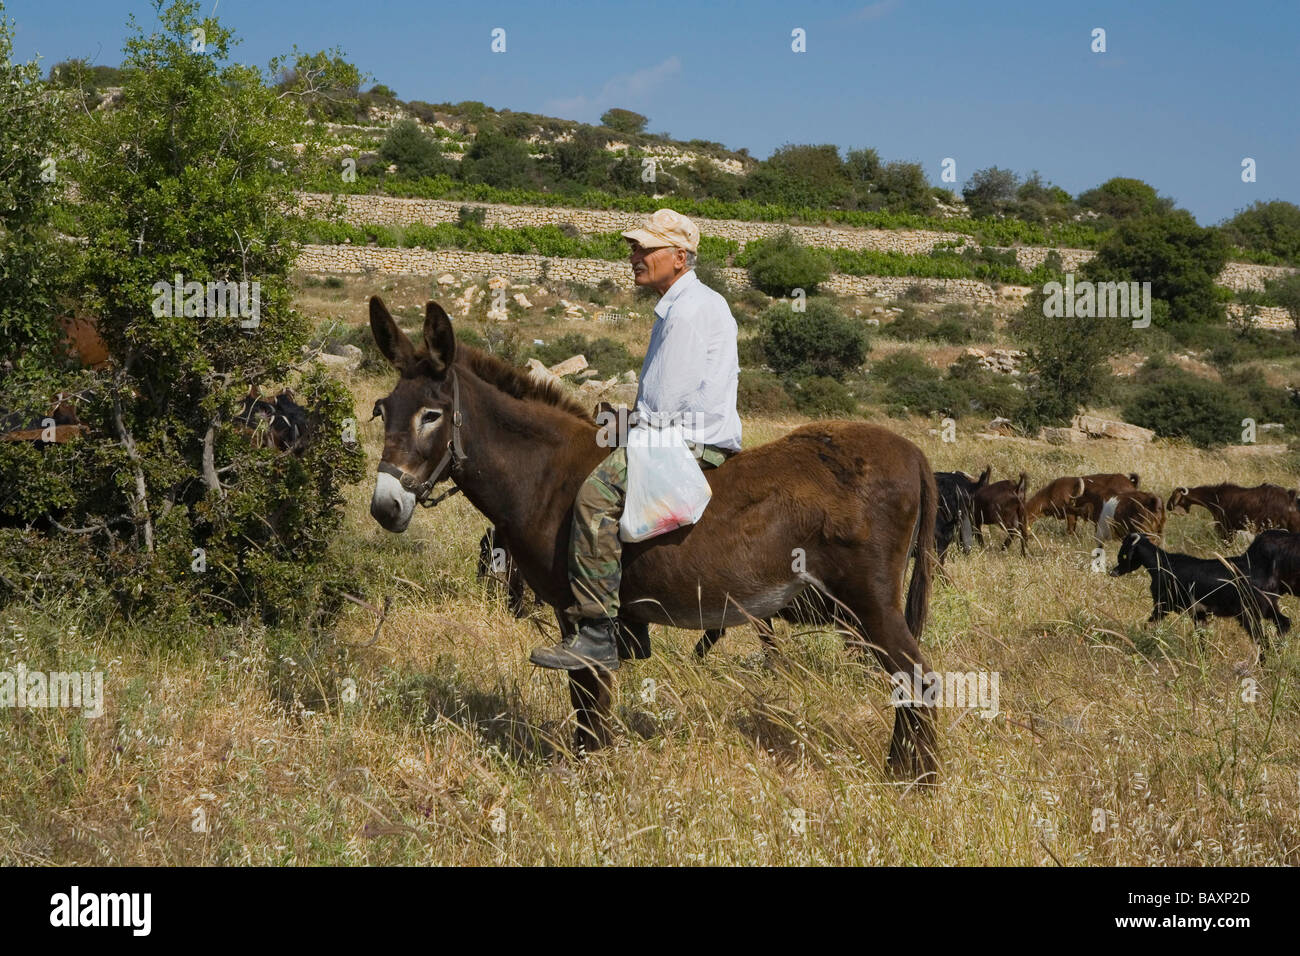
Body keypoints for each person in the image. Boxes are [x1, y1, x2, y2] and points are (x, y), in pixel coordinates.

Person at [530, 209, 742, 671]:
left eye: (646, 248)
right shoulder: (689, 303)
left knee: (593, 496)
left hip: (685, 441)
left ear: (679, 257)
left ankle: (598, 633)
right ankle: (630, 622)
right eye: (634, 247)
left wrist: (625, 424)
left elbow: (665, 404)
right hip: (683, 432)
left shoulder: (686, 312)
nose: (635, 256)